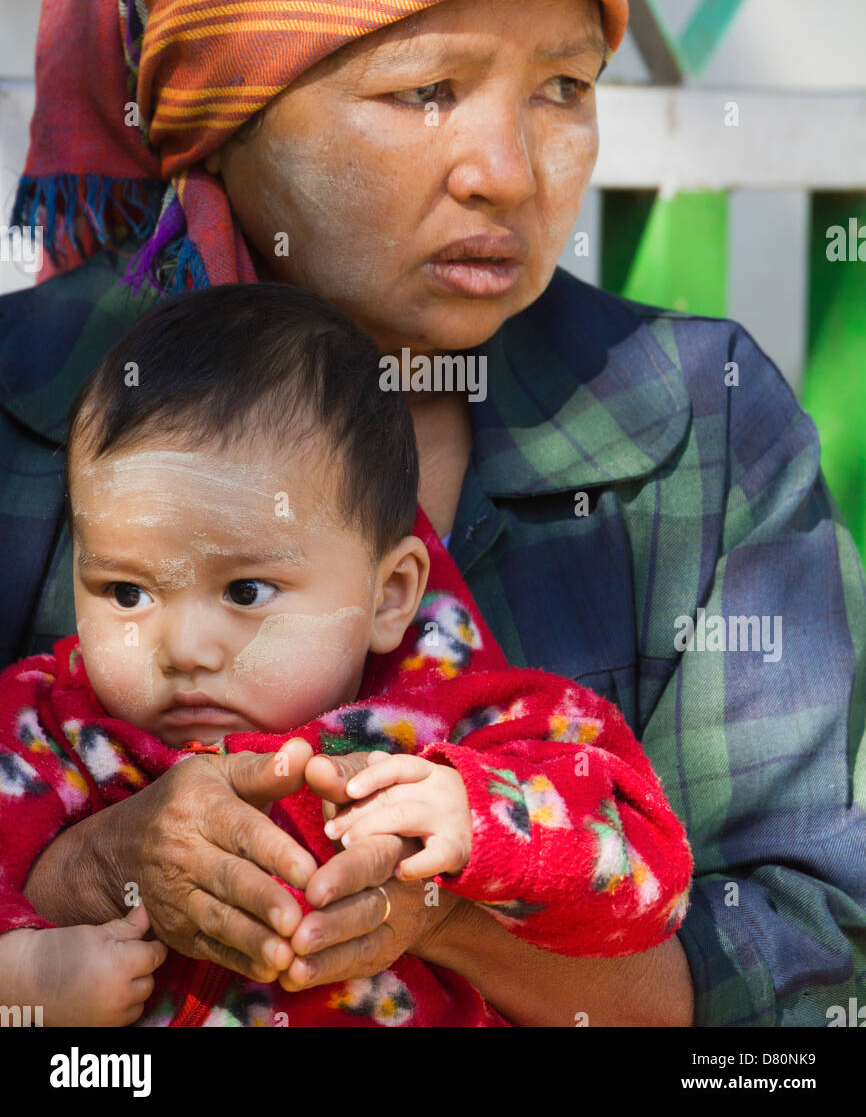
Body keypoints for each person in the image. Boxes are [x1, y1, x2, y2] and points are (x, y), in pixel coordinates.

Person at [1, 0, 864, 1029]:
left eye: (562, 87)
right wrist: (96, 862)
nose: (507, 174)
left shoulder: (696, 425)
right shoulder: (23, 401)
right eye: (422, 92)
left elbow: (794, 969)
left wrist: (448, 910)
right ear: (229, 111)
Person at [0, 280, 692, 1026]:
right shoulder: (48, 730)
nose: (184, 648)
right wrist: (26, 978)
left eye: (246, 591)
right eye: (128, 593)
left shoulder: (460, 726)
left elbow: (650, 873)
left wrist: (485, 818)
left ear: (389, 595)